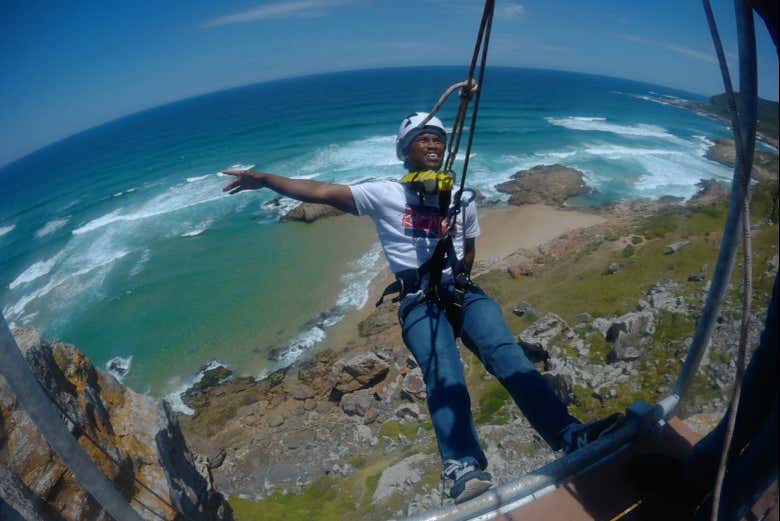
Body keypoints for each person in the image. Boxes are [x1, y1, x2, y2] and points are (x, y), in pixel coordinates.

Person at [222, 112, 613, 503]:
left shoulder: (463, 197)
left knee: (507, 356)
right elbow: (321, 191)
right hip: (417, 300)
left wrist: (458, 285)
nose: (433, 145)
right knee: (445, 374)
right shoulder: (383, 193)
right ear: (404, 151)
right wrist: (265, 180)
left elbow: (470, 249)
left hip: (462, 292)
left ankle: (569, 433)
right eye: (422, 138)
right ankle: (462, 466)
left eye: (438, 140)